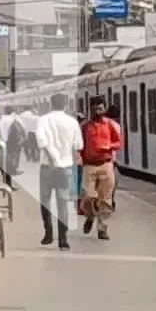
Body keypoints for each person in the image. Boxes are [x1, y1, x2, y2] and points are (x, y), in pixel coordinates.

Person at [26, 98, 82, 248]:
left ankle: (48, 233)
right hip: (65, 168)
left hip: (47, 168)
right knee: (62, 204)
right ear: (65, 105)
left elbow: (42, 142)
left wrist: (53, 158)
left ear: (51, 104)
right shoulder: (72, 122)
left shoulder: (43, 120)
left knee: (45, 201)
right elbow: (78, 145)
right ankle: (63, 239)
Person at [78, 96, 125, 241]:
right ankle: (90, 216)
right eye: (95, 108)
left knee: (105, 200)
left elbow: (118, 143)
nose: (97, 111)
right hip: (89, 166)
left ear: (104, 109)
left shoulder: (111, 126)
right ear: (90, 109)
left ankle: (102, 228)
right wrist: (78, 157)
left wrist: (109, 147)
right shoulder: (84, 126)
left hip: (106, 164)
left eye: (100, 108)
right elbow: (79, 144)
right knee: (88, 197)